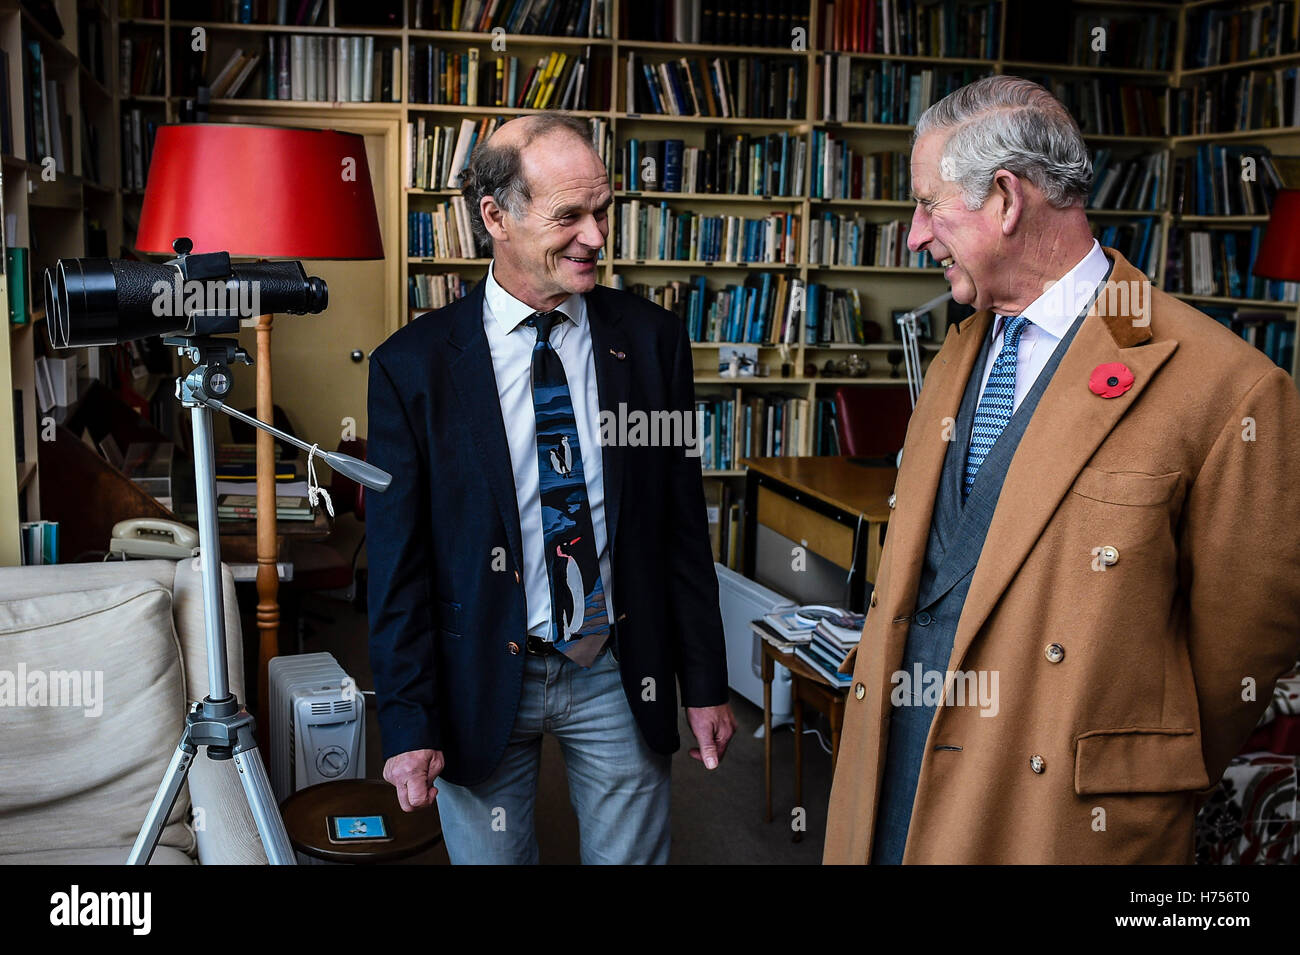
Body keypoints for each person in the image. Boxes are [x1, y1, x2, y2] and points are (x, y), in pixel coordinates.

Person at [824, 76, 1300, 864]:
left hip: (1050, 814)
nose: (914, 236)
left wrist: (1133, 765)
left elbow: (1242, 648)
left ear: (1006, 200)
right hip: (893, 771)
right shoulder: (958, 349)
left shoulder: (1229, 387)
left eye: (928, 205)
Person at [367, 113, 736, 865]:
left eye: (602, 211)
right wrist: (408, 723)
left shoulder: (652, 342)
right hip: (478, 671)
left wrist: (704, 682)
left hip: (615, 664)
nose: (596, 237)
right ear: (495, 216)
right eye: (569, 215)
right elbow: (396, 564)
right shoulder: (413, 367)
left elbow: (678, 527)